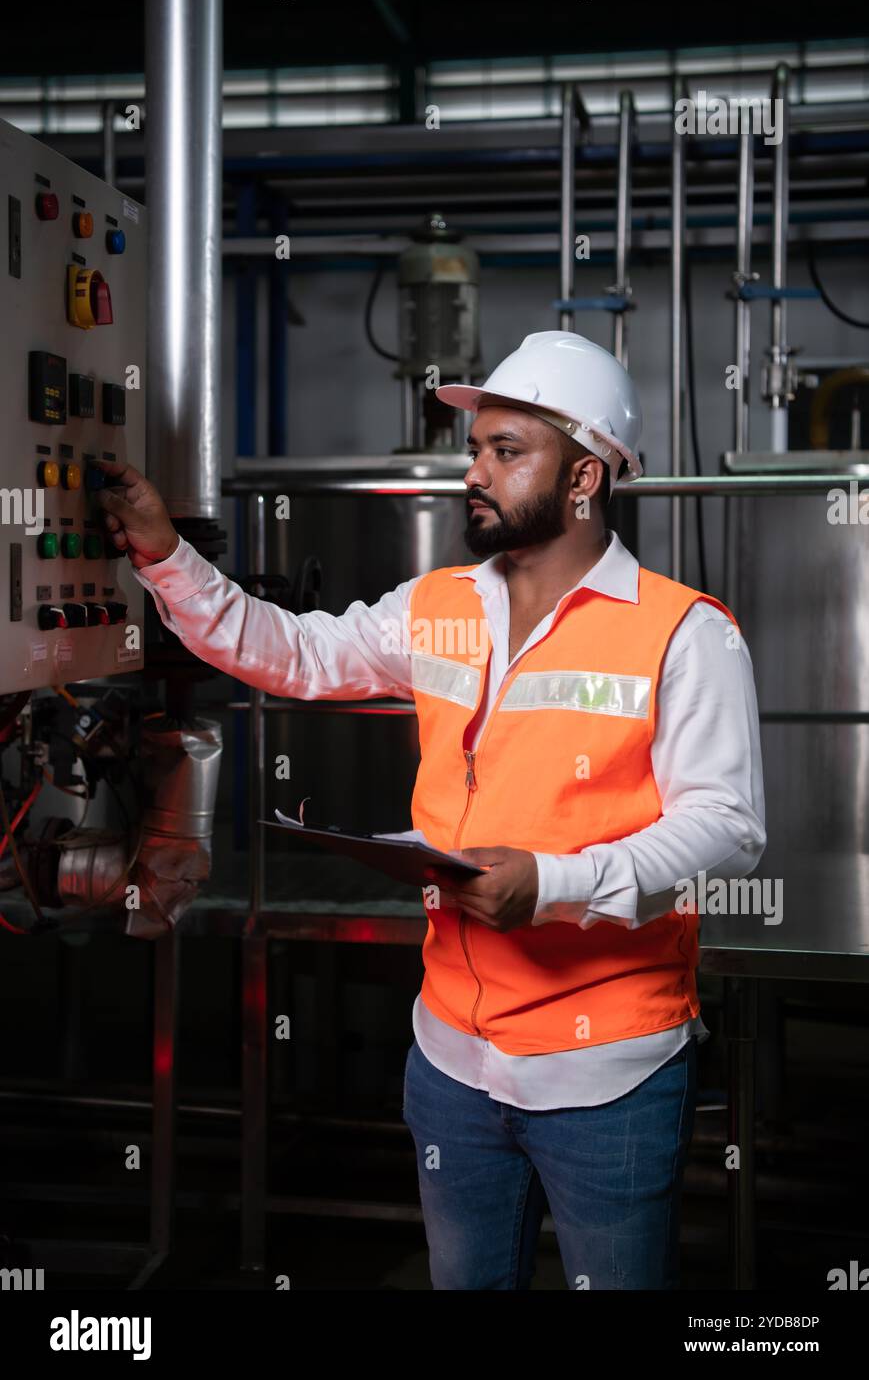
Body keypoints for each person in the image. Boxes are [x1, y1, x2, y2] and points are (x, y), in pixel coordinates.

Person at [93, 330, 766, 1290]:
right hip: (449, 1060)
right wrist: (164, 559)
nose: (473, 471)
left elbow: (727, 826)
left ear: (583, 477)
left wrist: (557, 882)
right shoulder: (438, 603)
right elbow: (290, 651)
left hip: (606, 1073)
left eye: (504, 452)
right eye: (474, 448)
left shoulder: (684, 632)